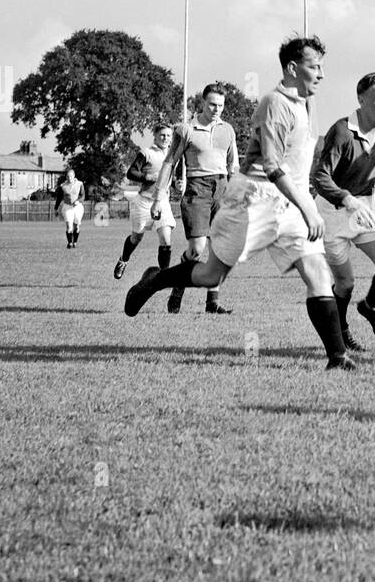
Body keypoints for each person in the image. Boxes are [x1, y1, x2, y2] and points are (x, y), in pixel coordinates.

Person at [126, 34, 356, 370]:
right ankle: (155, 280)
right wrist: (309, 208)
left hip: (289, 203)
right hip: (254, 200)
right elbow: (274, 166)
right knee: (208, 276)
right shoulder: (275, 104)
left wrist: (305, 202)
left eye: (322, 66)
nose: (321, 73)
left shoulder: (304, 104)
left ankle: (337, 358)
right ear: (292, 68)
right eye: (313, 66)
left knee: (317, 274)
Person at [312, 72, 375, 349]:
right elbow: (320, 177)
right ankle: (341, 333)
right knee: (345, 283)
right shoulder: (341, 131)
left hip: (365, 208)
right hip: (332, 212)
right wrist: (347, 199)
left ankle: (369, 306)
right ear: (361, 99)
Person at [162, 84, 240, 315]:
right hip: (198, 187)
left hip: (222, 187)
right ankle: (177, 289)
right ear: (203, 103)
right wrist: (159, 196)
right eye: (212, 104)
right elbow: (169, 162)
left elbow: (232, 165)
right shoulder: (186, 129)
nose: (217, 109)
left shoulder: (228, 130)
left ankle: (212, 303)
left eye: (221, 105)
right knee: (197, 248)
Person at [113, 124, 176, 280]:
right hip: (144, 202)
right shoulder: (147, 153)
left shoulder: (174, 155)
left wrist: (177, 184)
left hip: (162, 202)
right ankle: (123, 260)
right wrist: (147, 177)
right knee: (136, 237)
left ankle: (164, 276)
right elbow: (131, 172)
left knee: (166, 238)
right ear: (155, 136)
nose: (165, 138)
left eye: (168, 135)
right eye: (162, 135)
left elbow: (170, 178)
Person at [55, 168, 85, 248]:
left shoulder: (80, 184)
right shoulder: (63, 186)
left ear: (74, 176)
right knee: (69, 225)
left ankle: (75, 242)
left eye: (71, 176)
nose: (69, 178)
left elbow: (83, 196)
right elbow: (59, 198)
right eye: (68, 176)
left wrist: (78, 201)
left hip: (77, 207)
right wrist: (56, 209)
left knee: (76, 226)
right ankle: (69, 243)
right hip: (67, 206)